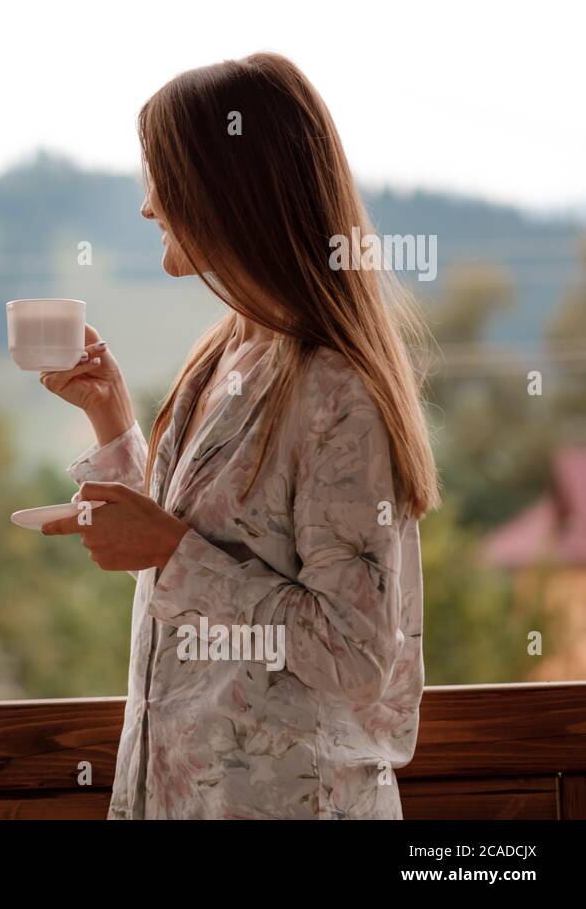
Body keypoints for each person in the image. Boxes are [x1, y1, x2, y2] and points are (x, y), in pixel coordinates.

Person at [39, 53, 437, 819]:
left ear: (223, 191)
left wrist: (168, 550)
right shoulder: (224, 354)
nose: (148, 206)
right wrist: (112, 417)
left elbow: (355, 656)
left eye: (160, 177)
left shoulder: (336, 391)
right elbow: (192, 566)